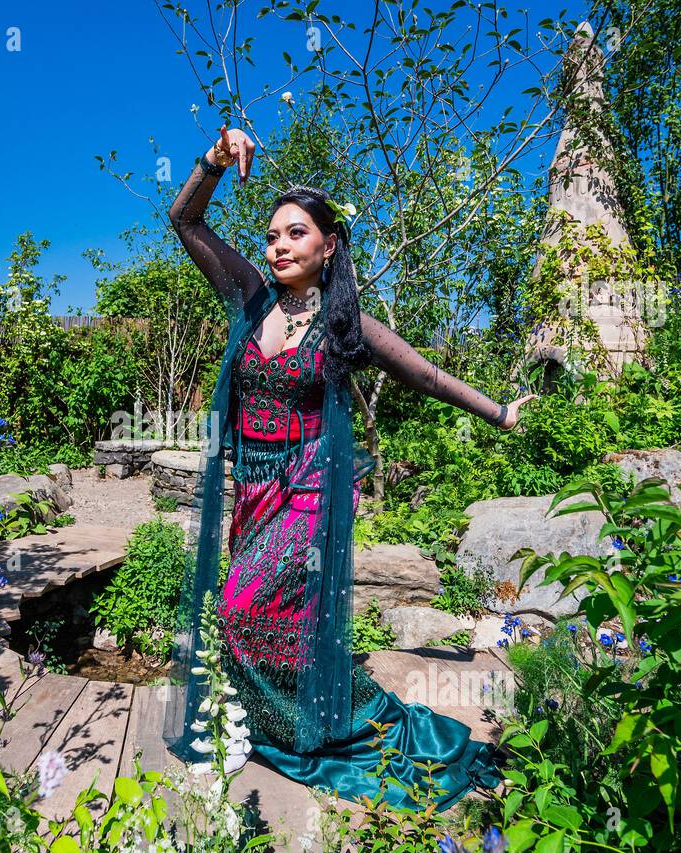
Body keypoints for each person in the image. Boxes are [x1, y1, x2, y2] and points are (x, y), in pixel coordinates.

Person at [160, 124, 537, 812]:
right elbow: (184, 219)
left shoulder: (346, 324)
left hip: (312, 489)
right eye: (273, 233)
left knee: (243, 605)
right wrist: (213, 161)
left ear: (327, 245)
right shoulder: (248, 294)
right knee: (263, 619)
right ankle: (289, 717)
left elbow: (426, 376)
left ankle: (327, 730)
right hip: (254, 486)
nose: (278, 245)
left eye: (295, 233)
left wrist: (500, 413)